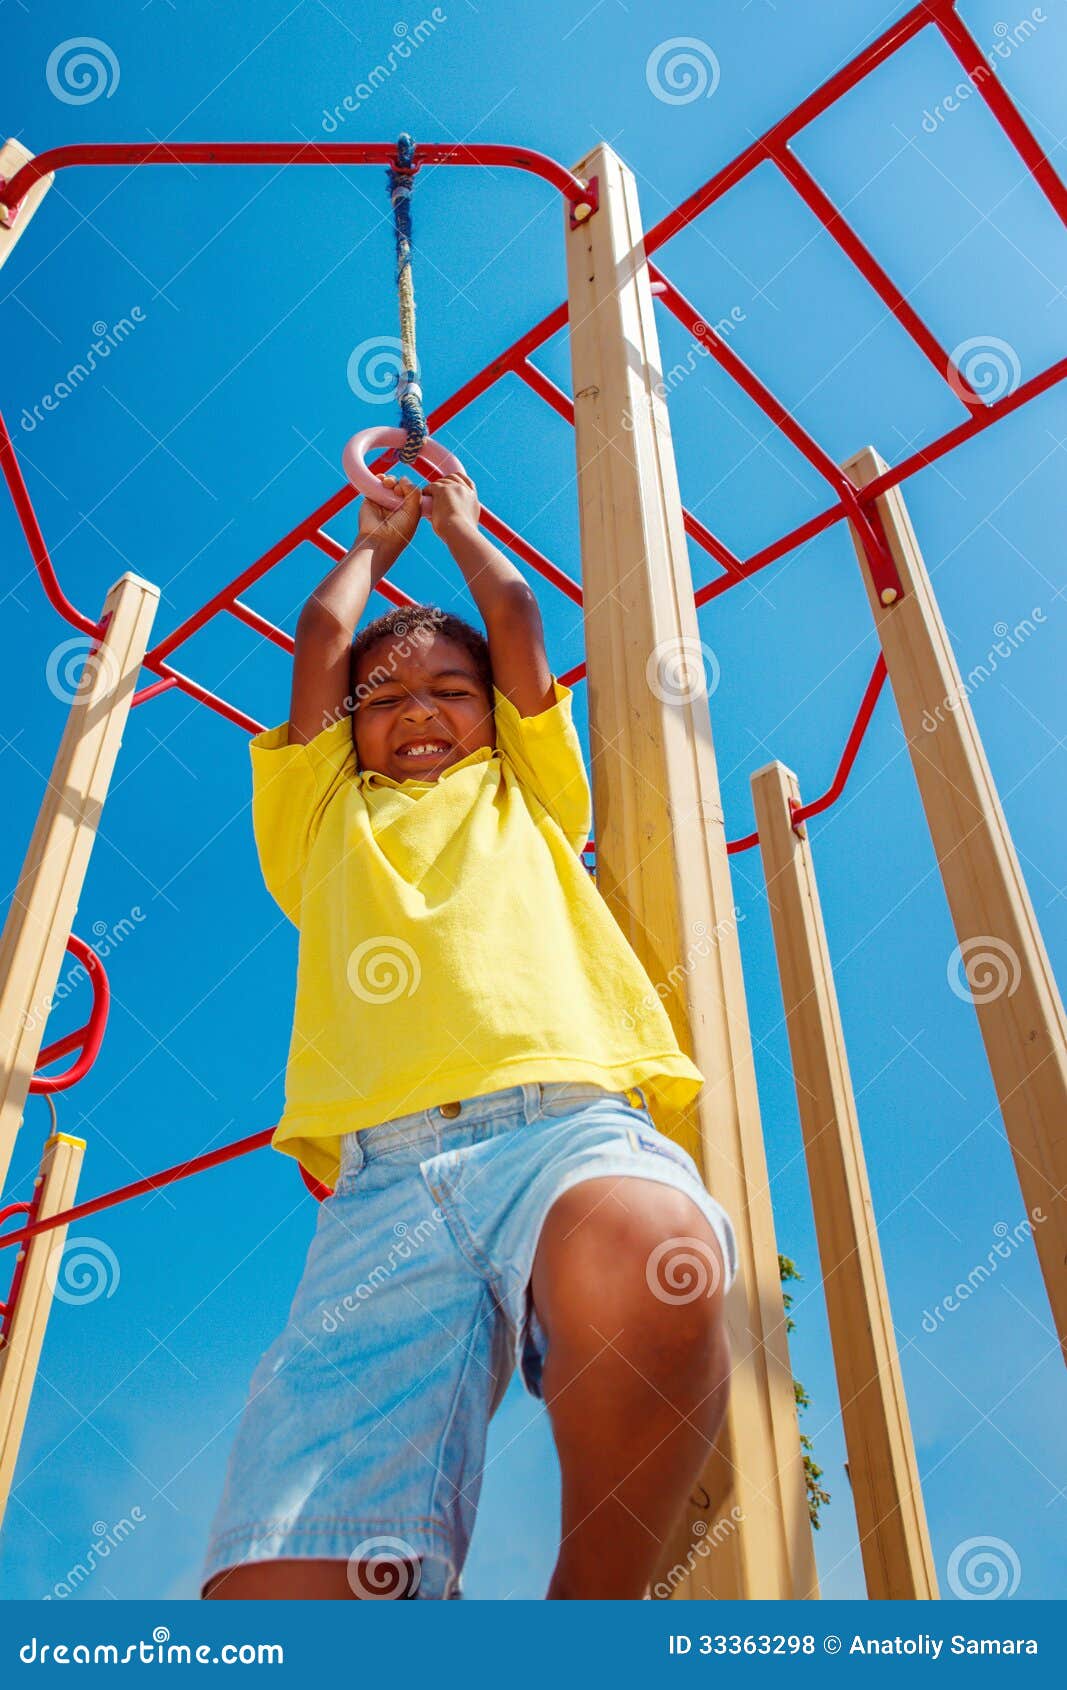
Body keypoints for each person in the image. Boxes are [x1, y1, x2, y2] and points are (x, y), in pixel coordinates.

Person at [200, 468, 739, 1601]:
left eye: (451, 691)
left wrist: (458, 526)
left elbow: (517, 614)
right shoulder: (321, 819)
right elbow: (321, 635)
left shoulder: (527, 790)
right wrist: (373, 544)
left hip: (561, 1122)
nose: (418, 712)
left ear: (494, 716)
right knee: (281, 1592)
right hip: (382, 1186)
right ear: (347, 731)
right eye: (383, 699)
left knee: (653, 1255)